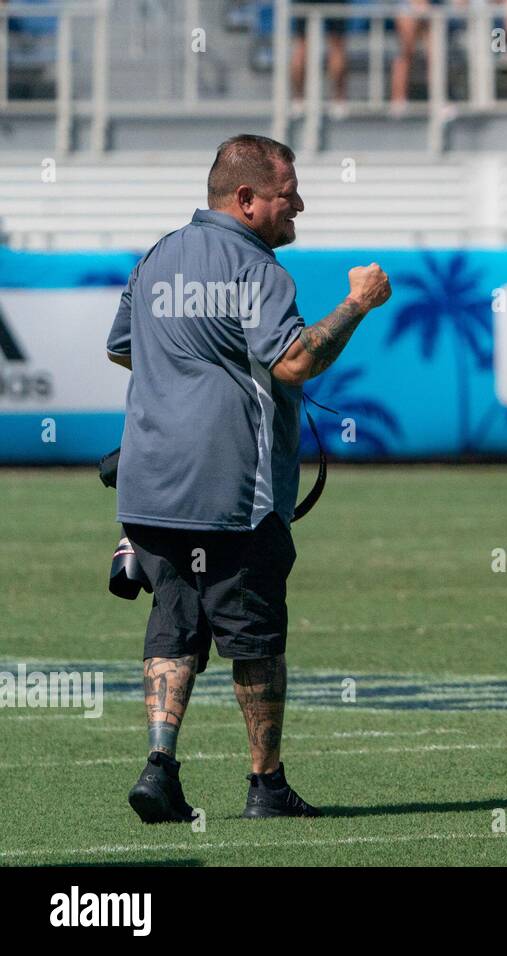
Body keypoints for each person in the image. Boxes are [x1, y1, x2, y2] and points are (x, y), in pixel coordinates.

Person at [106, 134, 392, 823]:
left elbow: (123, 348)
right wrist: (358, 303)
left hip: (150, 490)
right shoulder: (257, 268)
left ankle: (160, 767)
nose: (299, 202)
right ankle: (266, 786)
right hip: (234, 493)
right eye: (288, 190)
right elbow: (294, 362)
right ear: (245, 199)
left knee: (173, 625)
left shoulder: (156, 257)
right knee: (254, 640)